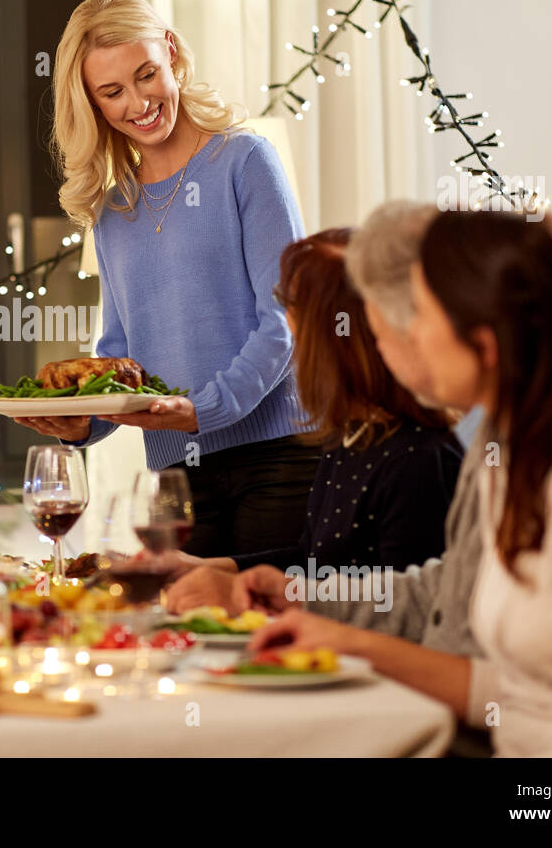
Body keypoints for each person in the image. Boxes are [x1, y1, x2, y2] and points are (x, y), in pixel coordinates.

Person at [250, 210, 552, 756]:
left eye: (422, 316)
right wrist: (342, 633)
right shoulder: (514, 448)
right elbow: (516, 699)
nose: (398, 332)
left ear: (483, 344)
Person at [15, 0, 318, 558]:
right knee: (186, 639)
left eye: (146, 74)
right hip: (178, 473)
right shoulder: (111, 211)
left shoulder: (245, 161)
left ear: (172, 55)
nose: (139, 102)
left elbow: (287, 317)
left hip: (280, 457)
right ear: (93, 103)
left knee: (269, 637)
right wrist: (83, 426)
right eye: (113, 92)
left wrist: (206, 410)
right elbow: (121, 352)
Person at [168, 203, 482, 666]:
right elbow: (317, 558)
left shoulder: (417, 459)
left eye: (292, 308)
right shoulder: (350, 439)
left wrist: (245, 591)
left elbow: (407, 610)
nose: (285, 325)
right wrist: (223, 566)